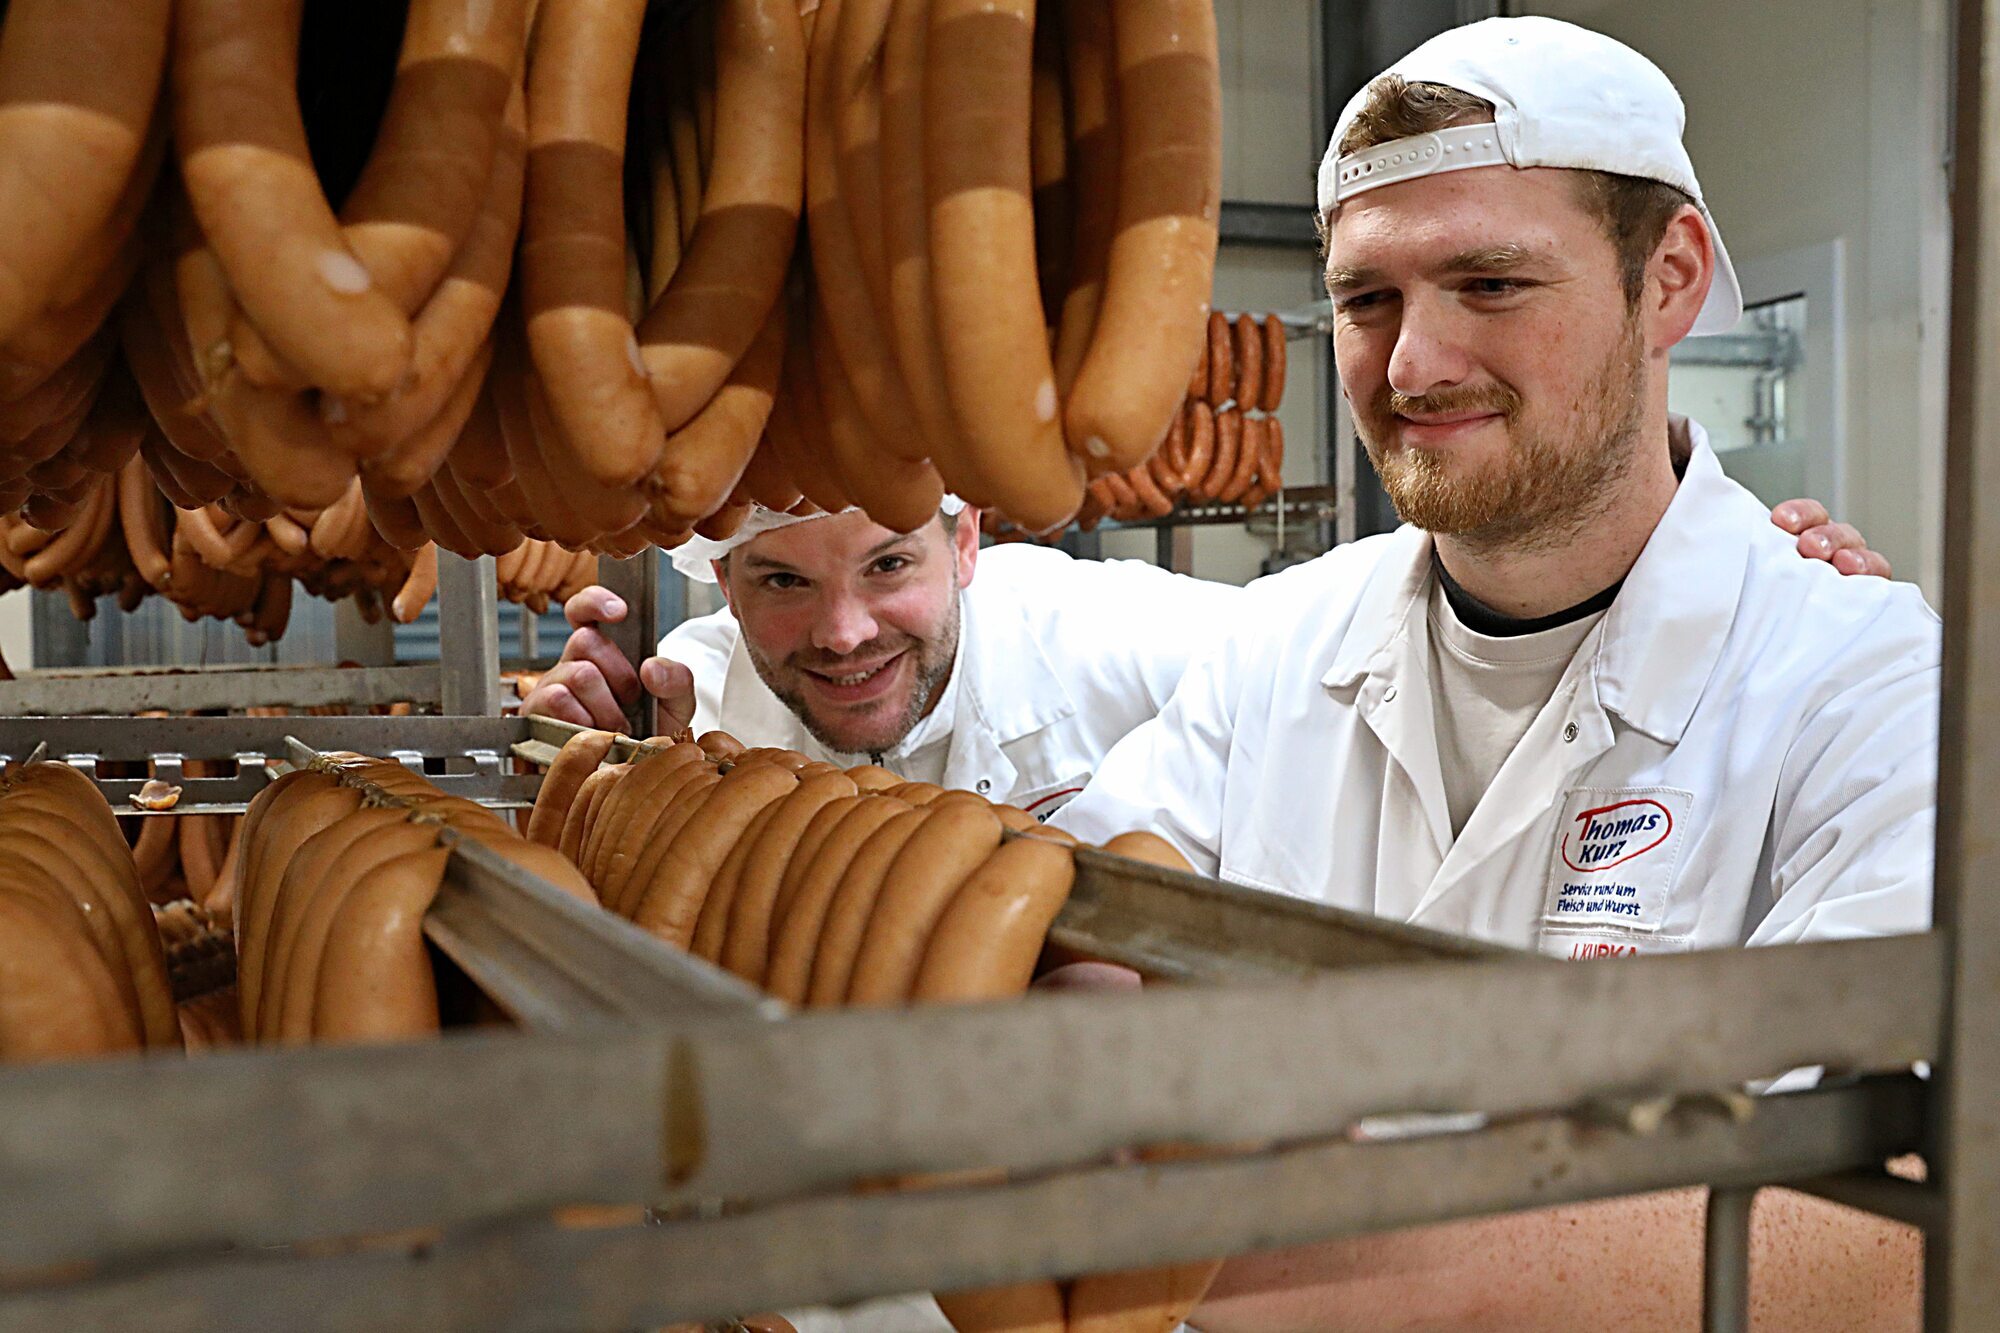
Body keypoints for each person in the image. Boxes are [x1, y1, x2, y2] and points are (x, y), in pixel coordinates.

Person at [1053, 16, 1932, 1329]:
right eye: (1368, 299)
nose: (1412, 364)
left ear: (1671, 279)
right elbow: (1085, 925)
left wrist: (1142, 1240)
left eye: (1491, 285)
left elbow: (1886, 1225)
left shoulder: (1873, 692)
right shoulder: (1277, 644)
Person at [523, 495, 1884, 816]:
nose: (842, 631)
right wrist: (583, 791)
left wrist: (1725, 580)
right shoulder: (685, 697)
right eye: (782, 581)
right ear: (725, 581)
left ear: (968, 550)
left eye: (889, 566)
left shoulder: (1109, 628)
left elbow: (1399, 646)